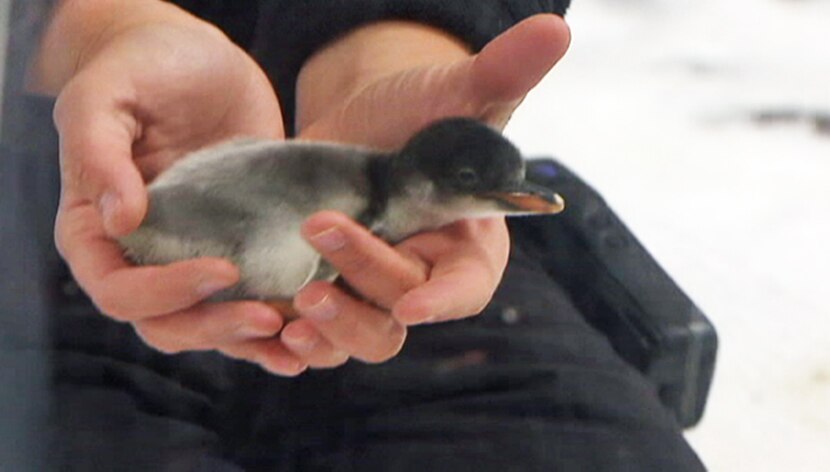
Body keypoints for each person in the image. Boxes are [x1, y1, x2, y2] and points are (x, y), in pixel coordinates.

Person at [1, 0, 706, 470]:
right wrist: (92, 28)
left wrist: (392, 49)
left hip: (390, 265)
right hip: (80, 187)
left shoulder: (399, 209)